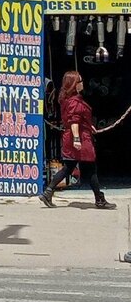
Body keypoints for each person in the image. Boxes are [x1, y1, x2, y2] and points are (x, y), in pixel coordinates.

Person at [40, 70, 115, 209]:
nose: (82, 83)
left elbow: (77, 120)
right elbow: (74, 121)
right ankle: (99, 199)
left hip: (72, 136)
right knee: (91, 169)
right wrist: (76, 139)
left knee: (68, 167)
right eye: (80, 81)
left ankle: (48, 191)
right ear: (74, 84)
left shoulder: (67, 99)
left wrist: (88, 125)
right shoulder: (74, 102)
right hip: (79, 137)